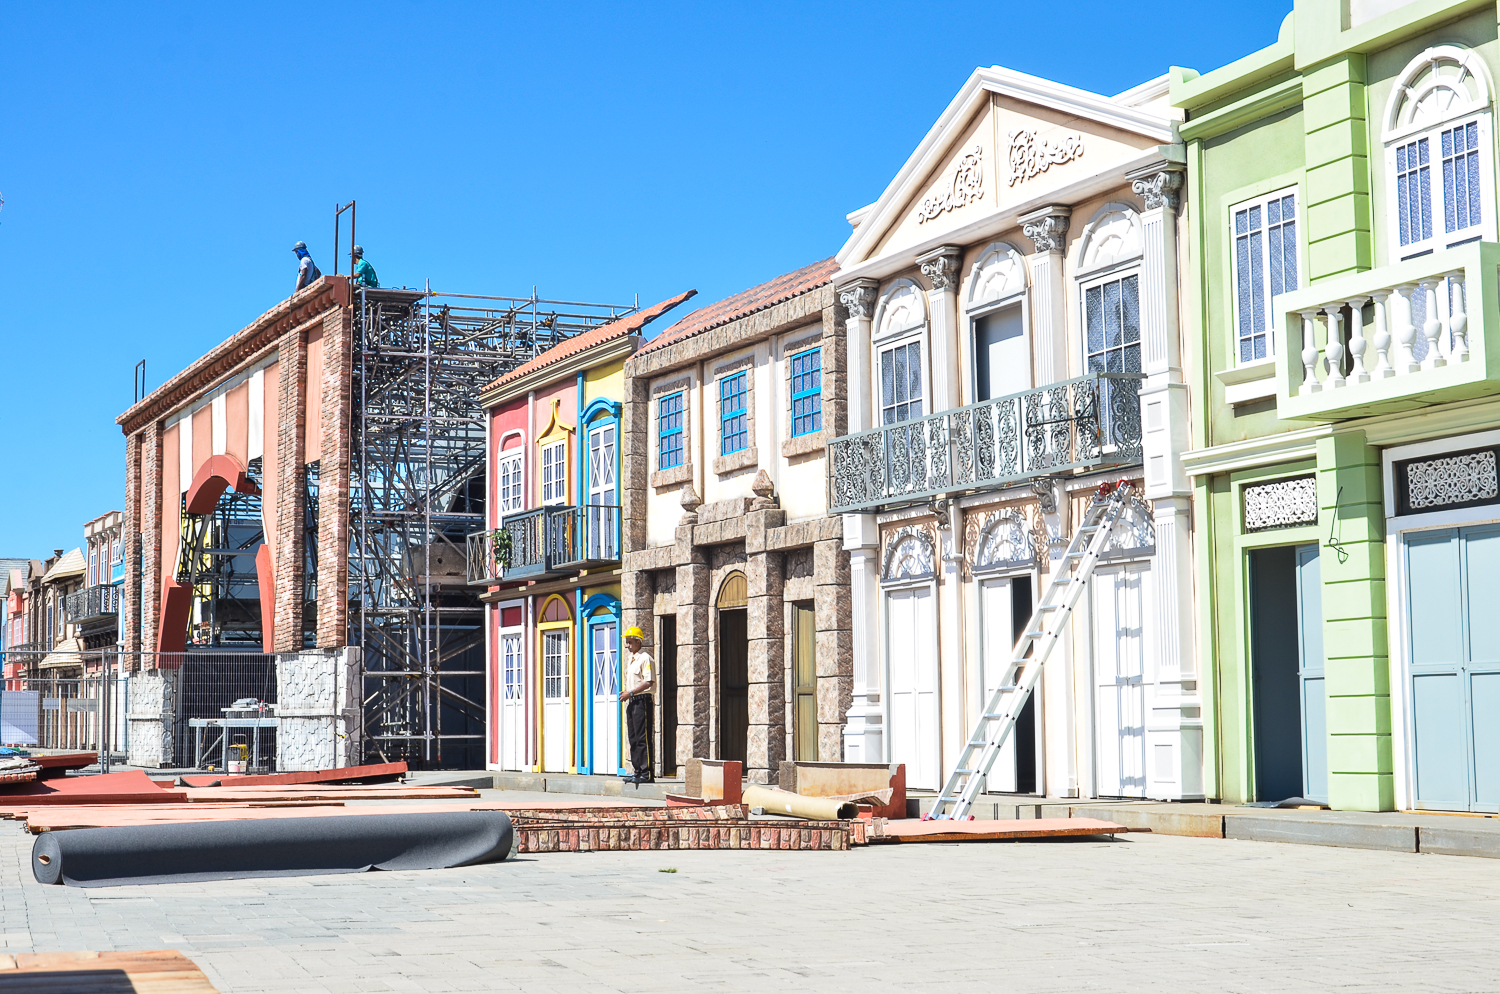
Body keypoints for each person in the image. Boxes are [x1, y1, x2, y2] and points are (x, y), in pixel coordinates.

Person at [620, 626, 654, 785]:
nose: (627, 645)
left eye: (630, 642)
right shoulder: (631, 659)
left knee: (642, 737)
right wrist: (626, 692)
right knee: (633, 737)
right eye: (627, 642)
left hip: (642, 700)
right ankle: (637, 771)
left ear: (638, 641)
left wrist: (631, 693)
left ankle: (646, 773)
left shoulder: (645, 658)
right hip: (632, 701)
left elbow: (649, 682)